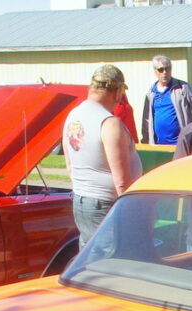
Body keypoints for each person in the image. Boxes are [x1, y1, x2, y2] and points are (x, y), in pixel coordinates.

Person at [63, 64, 142, 248]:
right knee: (112, 260)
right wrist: (132, 212)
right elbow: (121, 181)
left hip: (82, 200)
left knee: (90, 258)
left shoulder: (74, 116)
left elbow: (69, 164)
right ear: (117, 92)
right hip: (105, 204)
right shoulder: (109, 122)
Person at [140, 55, 192, 145]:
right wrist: (145, 142)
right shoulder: (151, 94)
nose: (165, 72)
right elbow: (146, 120)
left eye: (167, 68)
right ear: (155, 71)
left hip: (180, 144)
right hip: (159, 146)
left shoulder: (182, 88)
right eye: (161, 69)